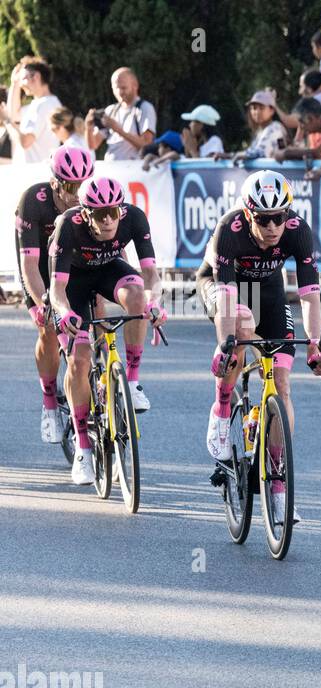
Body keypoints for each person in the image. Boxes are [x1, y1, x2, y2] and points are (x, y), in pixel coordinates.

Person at [199, 171, 321, 526]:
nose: (273, 226)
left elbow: (310, 297)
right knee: (241, 326)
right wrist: (225, 344)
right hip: (224, 289)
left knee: (282, 385)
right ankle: (221, 408)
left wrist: (316, 345)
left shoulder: (298, 231)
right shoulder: (229, 231)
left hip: (269, 291)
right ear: (248, 214)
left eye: (279, 217)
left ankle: (277, 483)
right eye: (263, 219)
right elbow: (227, 300)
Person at [48, 177, 167, 482]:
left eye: (113, 212)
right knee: (79, 360)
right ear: (85, 214)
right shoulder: (68, 224)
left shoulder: (133, 217)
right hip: (72, 282)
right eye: (100, 215)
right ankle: (83, 448)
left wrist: (154, 303)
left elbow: (151, 274)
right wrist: (64, 313)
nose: (108, 220)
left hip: (108, 270)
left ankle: (132, 382)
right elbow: (57, 290)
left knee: (138, 297)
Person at [15, 145, 95, 443]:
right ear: (54, 184)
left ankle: (100, 379)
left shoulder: (91, 202)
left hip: (71, 263)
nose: (78, 194)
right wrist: (45, 306)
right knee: (48, 325)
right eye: (71, 187)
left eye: (82, 185)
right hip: (39, 267)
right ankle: (49, 401)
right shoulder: (33, 202)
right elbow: (29, 266)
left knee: (96, 314)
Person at [84, 67, 156, 159]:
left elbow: (147, 145)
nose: (119, 92)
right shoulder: (111, 110)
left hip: (134, 166)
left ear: (135, 85)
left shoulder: (144, 108)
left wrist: (118, 129)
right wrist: (88, 128)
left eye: (123, 88)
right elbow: (93, 145)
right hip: (111, 166)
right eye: (116, 88)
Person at [4, 57, 61, 163]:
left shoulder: (44, 105)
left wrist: (6, 120)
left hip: (35, 171)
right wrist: (14, 83)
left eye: (23, 78)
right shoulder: (44, 103)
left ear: (36, 77)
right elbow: (14, 115)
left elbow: (26, 141)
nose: (21, 84)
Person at [233, 91, 286, 162]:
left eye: (261, 108)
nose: (257, 112)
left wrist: (239, 155)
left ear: (272, 111)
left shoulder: (275, 128)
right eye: (254, 108)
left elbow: (260, 152)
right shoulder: (260, 131)